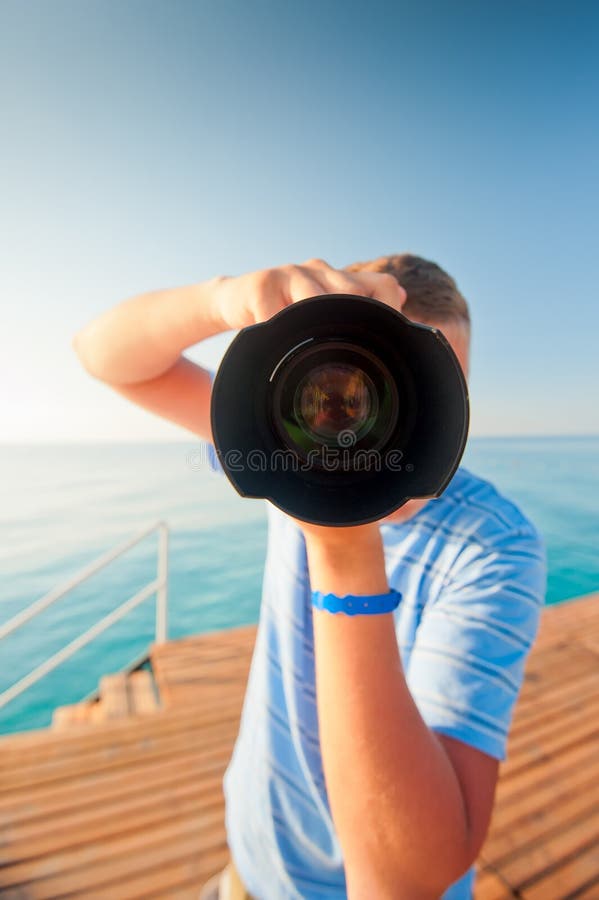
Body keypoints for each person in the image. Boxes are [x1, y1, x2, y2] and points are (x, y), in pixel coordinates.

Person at [73, 255, 547, 900]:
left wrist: (345, 552)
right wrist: (227, 299)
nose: (384, 425)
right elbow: (103, 355)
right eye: (341, 397)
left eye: (433, 392)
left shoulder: (493, 546)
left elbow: (411, 880)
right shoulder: (281, 456)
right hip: (253, 865)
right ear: (294, 402)